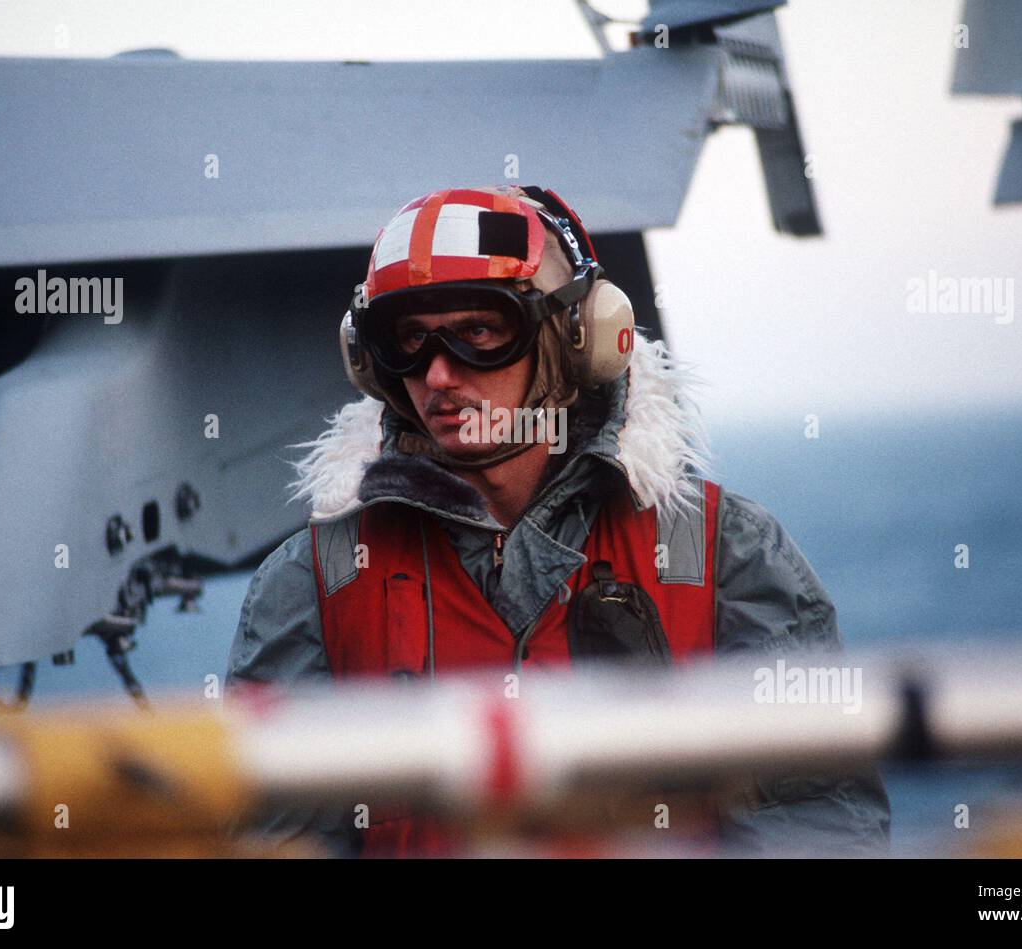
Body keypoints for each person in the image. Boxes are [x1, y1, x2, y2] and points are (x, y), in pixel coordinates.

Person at [225, 184, 891, 857]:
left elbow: (819, 827)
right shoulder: (315, 580)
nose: (440, 374)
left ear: (575, 341)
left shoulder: (727, 553)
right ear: (372, 362)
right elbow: (281, 836)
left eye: (479, 331)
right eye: (411, 341)